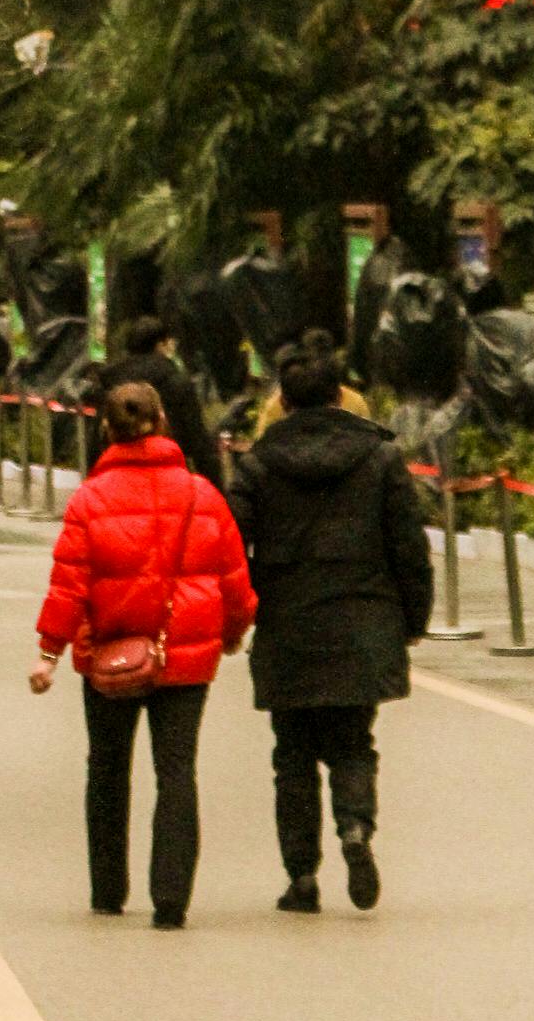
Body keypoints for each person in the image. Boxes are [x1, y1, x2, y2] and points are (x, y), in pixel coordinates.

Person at [29, 375, 254, 926]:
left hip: (107, 654)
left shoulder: (90, 499)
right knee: (177, 771)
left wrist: (48, 652)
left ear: (106, 429)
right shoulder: (203, 495)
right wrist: (231, 632)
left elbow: (69, 585)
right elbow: (235, 580)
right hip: (185, 654)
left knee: (107, 768)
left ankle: (109, 890)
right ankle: (171, 901)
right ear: (162, 423)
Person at [231, 335, 433, 913]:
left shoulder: (259, 464)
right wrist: (412, 618)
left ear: (285, 404)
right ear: (342, 396)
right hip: (362, 621)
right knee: (352, 743)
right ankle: (355, 830)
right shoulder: (380, 459)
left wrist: (235, 612)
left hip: (288, 623)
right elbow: (409, 547)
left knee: (291, 755)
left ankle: (300, 878)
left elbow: (231, 541)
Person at [118, 314, 224, 489]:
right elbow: (197, 439)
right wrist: (216, 489)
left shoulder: (111, 383)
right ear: (160, 345)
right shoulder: (177, 382)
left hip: (120, 478)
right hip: (168, 476)